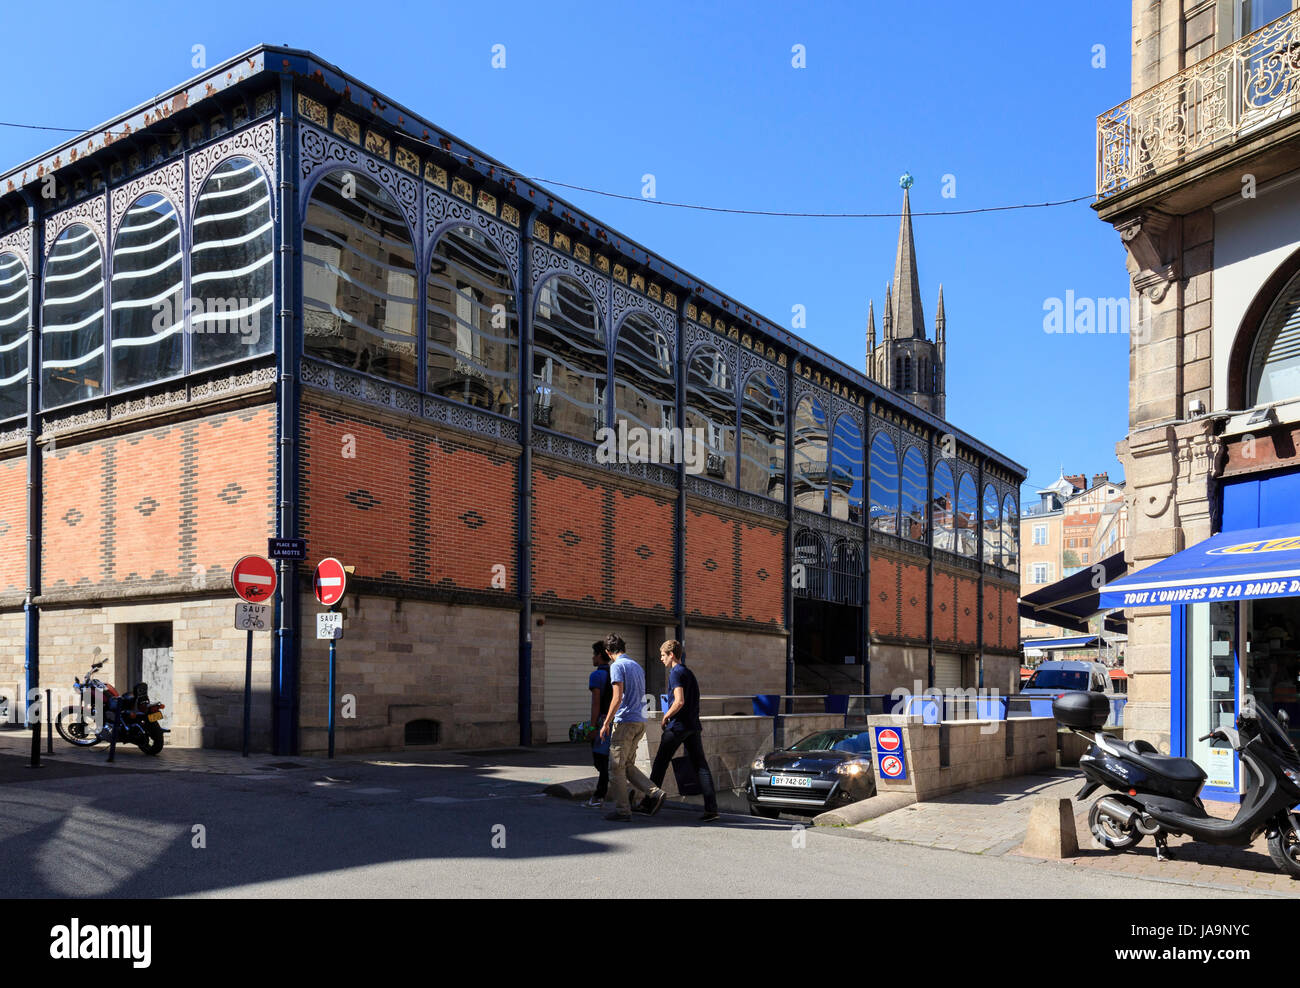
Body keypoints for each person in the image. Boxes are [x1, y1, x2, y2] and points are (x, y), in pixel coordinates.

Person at [638, 640, 718, 822]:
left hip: (678, 726)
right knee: (701, 766)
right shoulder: (689, 673)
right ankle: (711, 809)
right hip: (692, 726)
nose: (660, 659)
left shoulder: (676, 673)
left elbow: (679, 700)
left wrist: (667, 716)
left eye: (663, 655)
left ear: (671, 655)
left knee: (660, 763)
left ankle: (649, 803)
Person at [598, 633, 666, 822]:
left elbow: (617, 697)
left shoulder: (617, 666)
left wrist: (606, 723)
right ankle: (655, 792)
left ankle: (622, 811)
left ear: (608, 652)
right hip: (639, 720)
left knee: (615, 768)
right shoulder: (636, 666)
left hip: (625, 722)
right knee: (627, 766)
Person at [585, 642, 612, 808]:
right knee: (606, 759)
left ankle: (599, 794)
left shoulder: (596, 676)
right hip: (616, 720)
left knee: (600, 760)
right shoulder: (614, 673)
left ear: (600, 656)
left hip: (602, 720)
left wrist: (592, 727)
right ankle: (602, 792)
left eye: (594, 654)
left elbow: (596, 704)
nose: (593, 657)